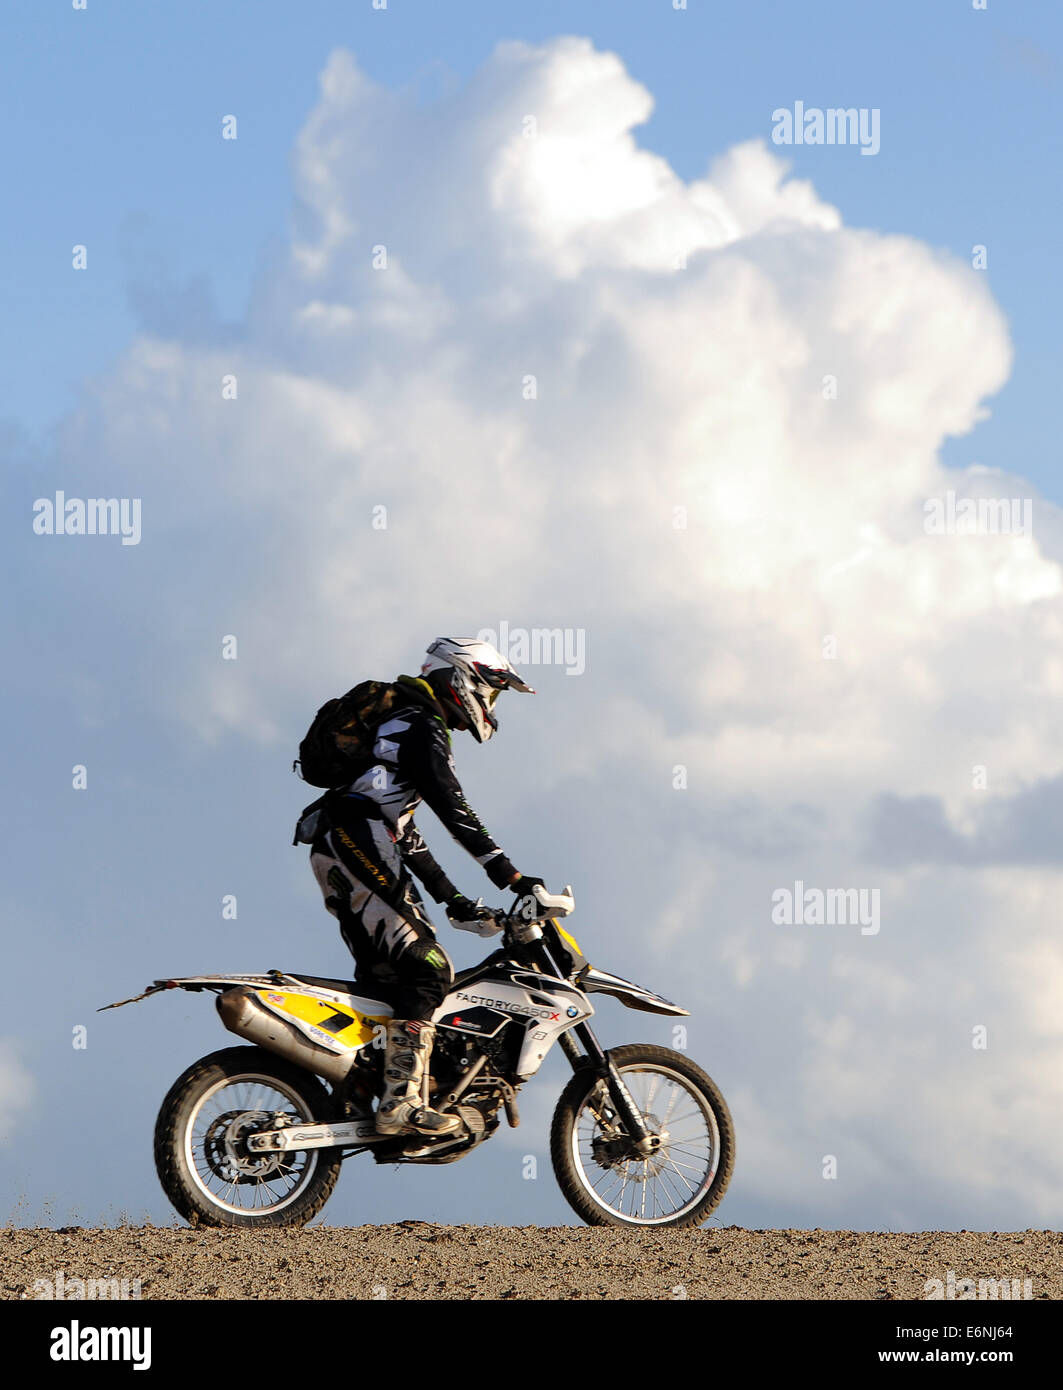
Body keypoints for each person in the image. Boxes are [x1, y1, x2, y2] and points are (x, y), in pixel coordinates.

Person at [295, 637, 543, 1138]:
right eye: (491, 692)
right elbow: (452, 805)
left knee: (391, 981)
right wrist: (509, 875)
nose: (490, 707)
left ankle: (364, 1091)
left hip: (342, 841)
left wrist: (455, 900)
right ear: (464, 678)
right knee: (430, 968)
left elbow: (406, 835)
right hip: (355, 837)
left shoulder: (396, 729)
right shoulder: (420, 724)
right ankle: (400, 1102)